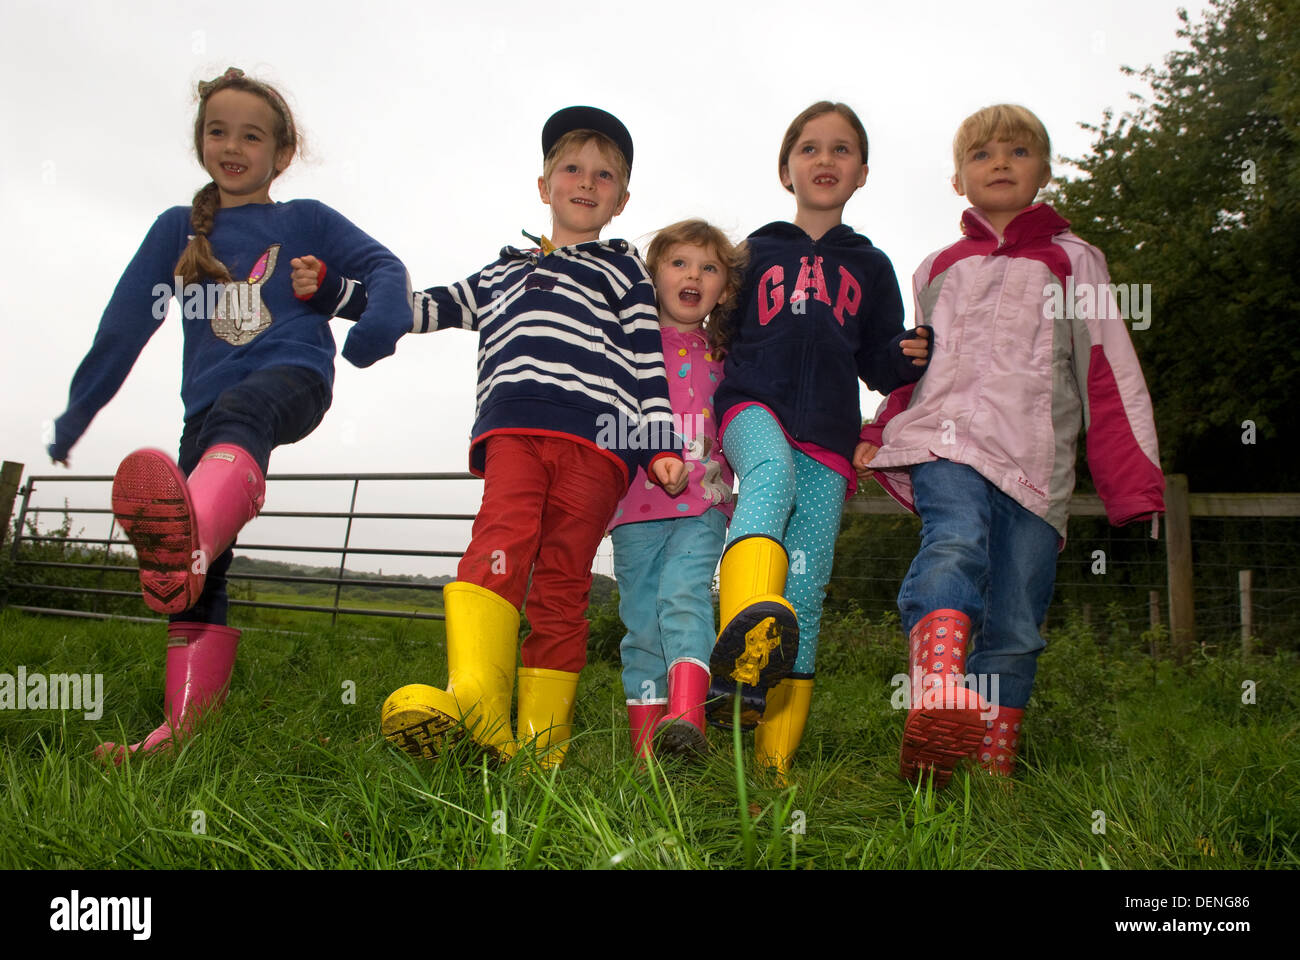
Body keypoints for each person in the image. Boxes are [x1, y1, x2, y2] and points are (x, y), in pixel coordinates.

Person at [298, 106, 687, 769]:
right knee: (500, 543)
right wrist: (336, 291)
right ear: (544, 186)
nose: (586, 182)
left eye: (604, 175)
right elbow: (420, 307)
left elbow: (646, 361)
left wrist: (659, 443)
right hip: (516, 432)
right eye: (571, 168)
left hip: (598, 449)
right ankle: (476, 700)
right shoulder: (502, 272)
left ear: (622, 201)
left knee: (563, 582)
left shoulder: (625, 274)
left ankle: (542, 746)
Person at [46, 67, 411, 761]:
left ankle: (189, 537)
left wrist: (372, 328)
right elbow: (125, 324)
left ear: (282, 152)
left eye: (252, 134)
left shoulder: (303, 220)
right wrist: (76, 412)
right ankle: (180, 731)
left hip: (291, 380)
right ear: (200, 142)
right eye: (218, 131)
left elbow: (386, 267)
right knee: (196, 578)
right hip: (207, 416)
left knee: (236, 426)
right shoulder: (175, 231)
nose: (233, 145)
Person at [859, 104, 1164, 786]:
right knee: (954, 542)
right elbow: (921, 362)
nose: (1000, 162)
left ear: (1045, 172)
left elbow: (1107, 368)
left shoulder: (1074, 260)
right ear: (959, 179)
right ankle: (936, 690)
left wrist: (1132, 479)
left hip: (1034, 462)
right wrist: (881, 427)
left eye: (1018, 151)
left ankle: (984, 772)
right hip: (947, 444)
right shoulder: (938, 267)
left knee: (1017, 620)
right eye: (982, 154)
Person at [709, 102, 931, 777]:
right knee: (768, 478)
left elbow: (878, 361)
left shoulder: (871, 265)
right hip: (751, 407)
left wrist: (908, 354)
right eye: (810, 148)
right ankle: (736, 647)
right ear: (786, 170)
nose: (825, 159)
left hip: (830, 436)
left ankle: (774, 760)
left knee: (805, 587)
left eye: (841, 150)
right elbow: (714, 331)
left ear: (862, 172)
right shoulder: (753, 254)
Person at [611, 219, 745, 761]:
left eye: (709, 267)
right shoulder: (626, 346)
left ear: (723, 288)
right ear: (653, 276)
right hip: (632, 509)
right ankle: (648, 754)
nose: (694, 274)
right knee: (642, 622)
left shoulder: (728, 353)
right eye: (679, 263)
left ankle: (688, 720)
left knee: (684, 597)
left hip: (704, 503)